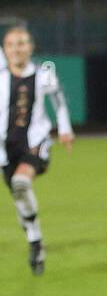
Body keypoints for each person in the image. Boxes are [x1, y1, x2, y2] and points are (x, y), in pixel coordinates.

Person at [1, 25, 72, 275]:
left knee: (21, 183)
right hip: (5, 148)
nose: (16, 49)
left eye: (21, 43)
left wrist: (64, 129)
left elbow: (59, 100)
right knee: (20, 201)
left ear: (30, 47)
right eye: (10, 44)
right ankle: (36, 241)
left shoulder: (44, 75)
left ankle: (34, 240)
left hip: (35, 141)